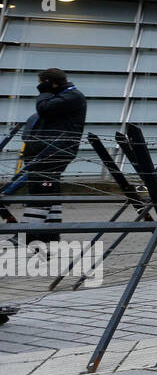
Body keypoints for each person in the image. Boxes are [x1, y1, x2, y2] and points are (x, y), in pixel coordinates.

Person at [20, 68, 87, 245]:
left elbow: (43, 109)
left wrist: (44, 92)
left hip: (54, 152)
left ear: (49, 82)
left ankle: (28, 235)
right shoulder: (61, 97)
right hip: (47, 152)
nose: (38, 86)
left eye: (41, 82)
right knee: (49, 192)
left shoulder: (72, 97)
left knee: (40, 193)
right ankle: (50, 237)